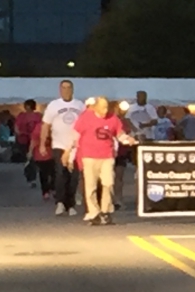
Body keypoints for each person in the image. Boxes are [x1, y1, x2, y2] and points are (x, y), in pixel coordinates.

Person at [70, 96, 136, 225]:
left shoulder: (113, 118)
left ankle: (106, 211)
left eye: (106, 108)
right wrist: (70, 152)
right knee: (90, 186)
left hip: (106, 156)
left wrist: (128, 139)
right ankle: (93, 212)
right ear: (95, 107)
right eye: (102, 108)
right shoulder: (85, 117)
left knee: (108, 183)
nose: (105, 111)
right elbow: (75, 134)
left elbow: (119, 134)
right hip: (89, 156)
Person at [40, 80, 86, 216]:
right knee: (60, 173)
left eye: (69, 87)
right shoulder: (54, 105)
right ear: (60, 90)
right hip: (59, 144)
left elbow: (85, 124)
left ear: (73, 89)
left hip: (75, 146)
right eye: (63, 88)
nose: (66, 90)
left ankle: (70, 203)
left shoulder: (80, 105)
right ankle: (60, 202)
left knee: (74, 176)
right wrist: (42, 144)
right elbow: (45, 125)